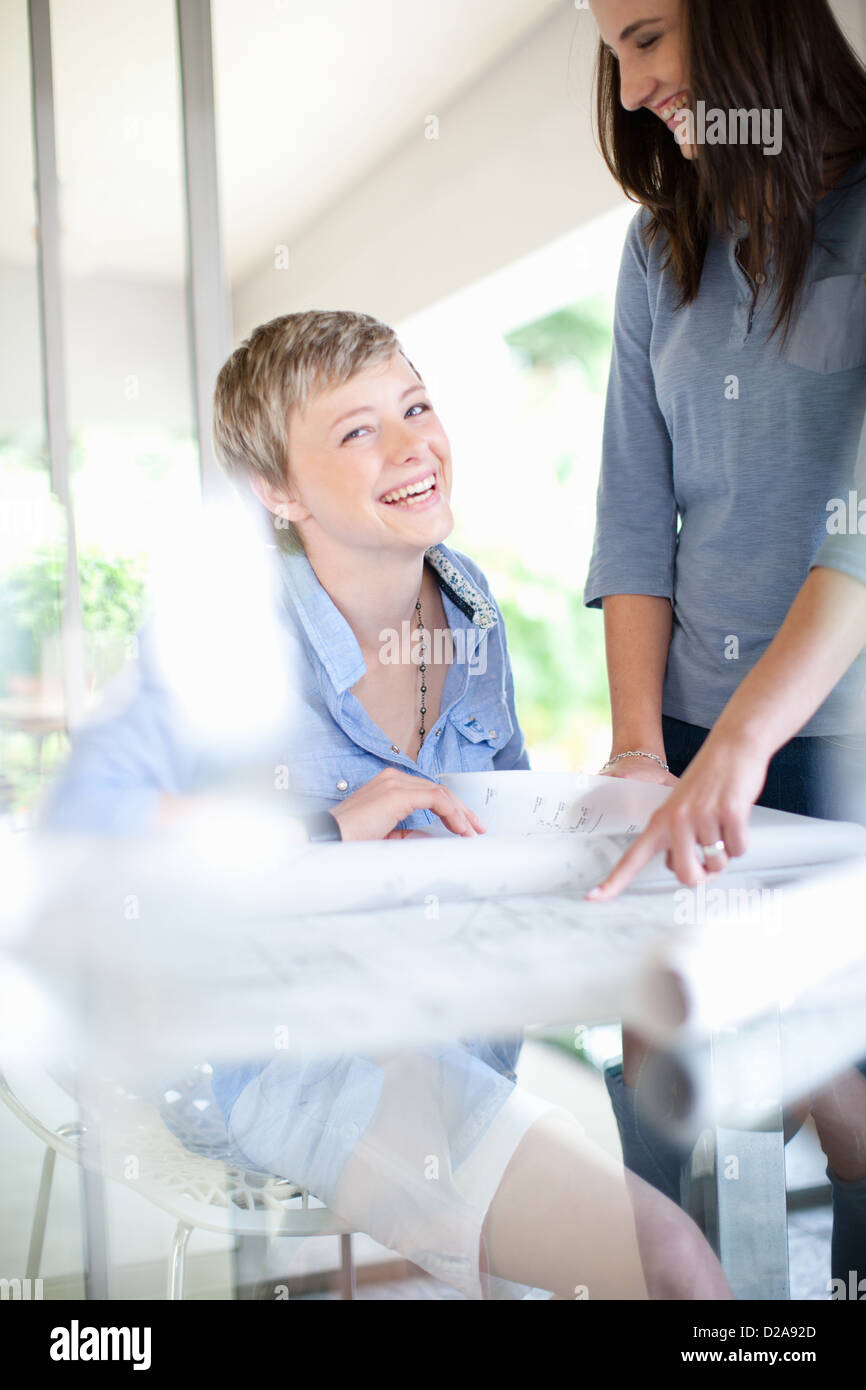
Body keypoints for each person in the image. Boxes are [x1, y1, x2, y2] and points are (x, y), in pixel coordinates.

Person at [40, 309, 730, 1300]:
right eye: (357, 430)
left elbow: (496, 807)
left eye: (415, 407)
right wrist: (323, 828)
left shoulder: (468, 602)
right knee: (676, 1268)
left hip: (457, 1044)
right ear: (276, 489)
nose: (412, 446)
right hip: (284, 1059)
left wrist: (584, 820)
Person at [582, 0, 866, 1290]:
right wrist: (640, 746)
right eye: (613, 55)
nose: (630, 86)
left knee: (838, 1087)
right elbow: (633, 517)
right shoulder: (659, 249)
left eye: (645, 37)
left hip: (838, 744)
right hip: (698, 731)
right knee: (661, 1039)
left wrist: (745, 744)